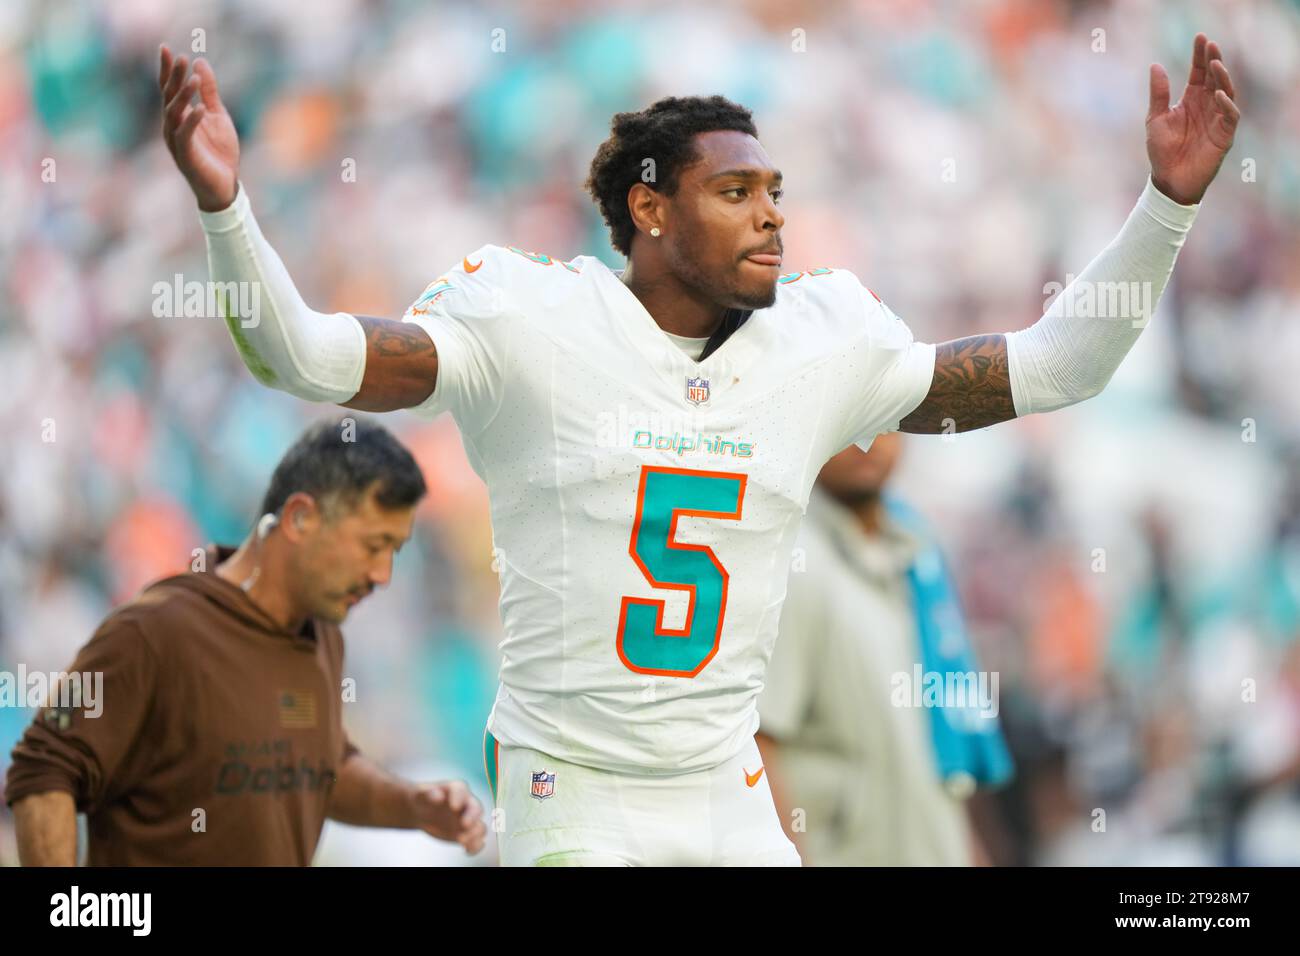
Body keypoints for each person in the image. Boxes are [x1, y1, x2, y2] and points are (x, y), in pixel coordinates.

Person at [156, 33, 1237, 865]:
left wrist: (1166, 205)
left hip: (726, 792)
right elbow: (293, 354)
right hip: (573, 786)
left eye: (775, 194)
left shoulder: (816, 345)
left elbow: (1057, 367)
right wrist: (224, 208)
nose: (771, 217)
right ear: (648, 210)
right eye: (734, 193)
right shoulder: (532, 324)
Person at [5, 418, 487, 865]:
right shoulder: (155, 633)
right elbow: (44, 770)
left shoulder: (321, 638)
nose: (382, 575)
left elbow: (319, 768)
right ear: (299, 519)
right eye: (372, 545)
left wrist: (413, 806)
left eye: (394, 551)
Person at [757, 436, 1013, 865]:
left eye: (889, 421)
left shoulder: (918, 557)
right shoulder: (793, 561)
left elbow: (941, 752)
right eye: (857, 419)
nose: (870, 441)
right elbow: (760, 741)